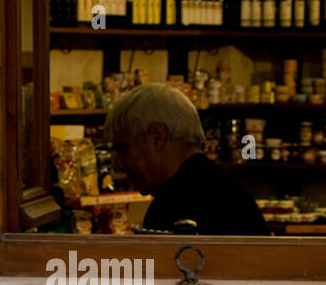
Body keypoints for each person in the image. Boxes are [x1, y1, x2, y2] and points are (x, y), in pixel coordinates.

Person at [105, 82, 267, 235]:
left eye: (122, 149)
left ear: (157, 137)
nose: (117, 164)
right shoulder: (228, 190)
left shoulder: (172, 207)